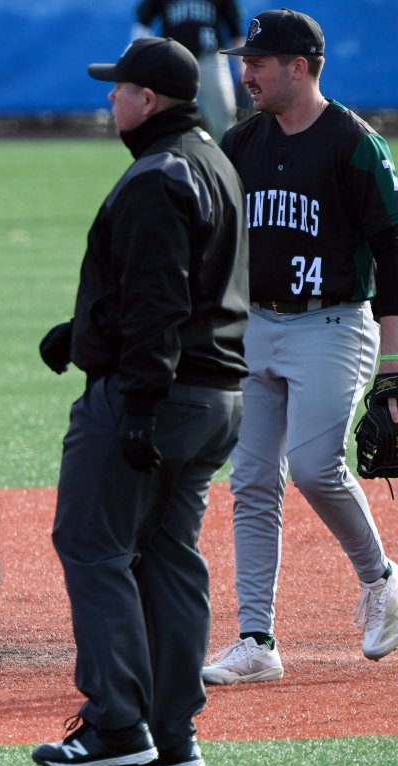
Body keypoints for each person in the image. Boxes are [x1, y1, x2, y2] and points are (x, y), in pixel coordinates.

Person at [31, 37, 249, 766]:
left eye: (118, 88)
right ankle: (173, 732)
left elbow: (160, 298)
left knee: (95, 549)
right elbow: (181, 287)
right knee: (166, 557)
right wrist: (86, 330)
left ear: (147, 100)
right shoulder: (213, 159)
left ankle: (118, 728)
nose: (109, 98)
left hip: (157, 393)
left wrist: (136, 403)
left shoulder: (158, 175)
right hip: (217, 395)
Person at [201, 9, 398, 685]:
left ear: (300, 67)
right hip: (257, 325)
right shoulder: (240, 142)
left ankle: (381, 579)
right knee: (253, 480)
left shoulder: (354, 144)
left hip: (334, 324)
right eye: (244, 61)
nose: (244, 72)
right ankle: (256, 640)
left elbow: (394, 257)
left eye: (257, 63)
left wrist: (394, 371)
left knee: (315, 467)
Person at [134, 0, 247, 142]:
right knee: (170, 120)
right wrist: (141, 57)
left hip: (210, 58)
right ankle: (170, 160)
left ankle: (226, 160)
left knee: (223, 121)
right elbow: (143, 22)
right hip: (174, 61)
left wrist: (242, 66)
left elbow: (234, 29)